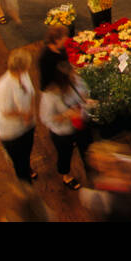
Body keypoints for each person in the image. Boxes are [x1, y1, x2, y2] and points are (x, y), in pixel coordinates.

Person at [39, 60, 93, 190]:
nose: (75, 76)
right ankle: (66, 175)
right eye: (72, 75)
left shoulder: (77, 81)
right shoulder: (50, 96)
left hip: (81, 124)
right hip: (63, 132)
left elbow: (84, 91)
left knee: (88, 149)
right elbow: (46, 119)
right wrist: (65, 115)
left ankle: (92, 173)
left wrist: (86, 101)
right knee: (65, 154)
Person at [0, 47, 38, 182]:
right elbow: (5, 110)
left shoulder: (24, 75)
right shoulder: (4, 86)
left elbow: (31, 92)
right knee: (19, 161)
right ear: (21, 67)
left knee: (27, 150)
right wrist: (23, 115)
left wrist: (31, 109)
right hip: (12, 131)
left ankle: (26, 164)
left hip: (27, 123)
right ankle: (26, 186)